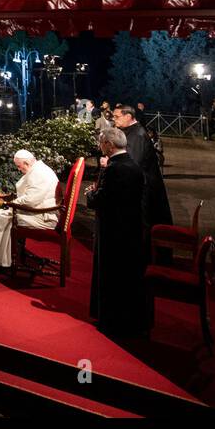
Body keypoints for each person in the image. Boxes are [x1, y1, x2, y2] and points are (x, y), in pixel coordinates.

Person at [86, 126, 150, 337]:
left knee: (112, 276)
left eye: (101, 143)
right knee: (126, 276)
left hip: (113, 230)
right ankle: (128, 319)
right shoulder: (133, 165)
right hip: (131, 227)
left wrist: (91, 194)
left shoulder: (114, 169)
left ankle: (112, 321)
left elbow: (102, 199)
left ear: (109, 145)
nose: (99, 146)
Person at [112, 103, 173, 262]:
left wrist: (111, 162)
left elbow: (133, 162)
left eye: (117, 116)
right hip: (142, 184)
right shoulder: (133, 131)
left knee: (143, 222)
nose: (114, 120)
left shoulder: (137, 134)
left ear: (128, 116)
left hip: (145, 187)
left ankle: (142, 257)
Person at [0, 149, 60, 268]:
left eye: (19, 166)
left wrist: (12, 203)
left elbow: (31, 200)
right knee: (1, 214)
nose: (18, 169)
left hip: (44, 216)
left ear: (27, 163)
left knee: (0, 217)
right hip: (41, 209)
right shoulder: (38, 168)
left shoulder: (39, 173)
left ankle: (0, 260)